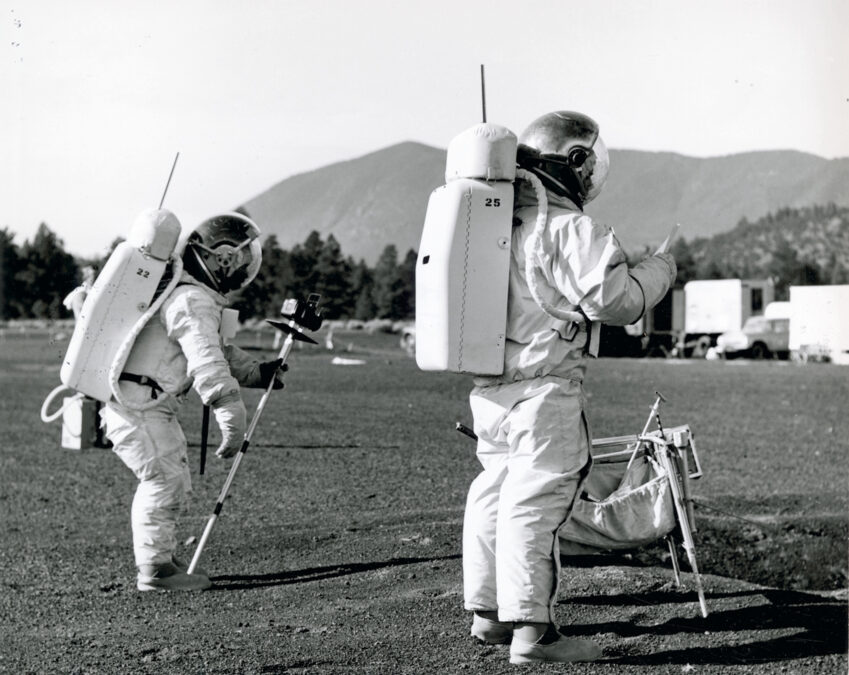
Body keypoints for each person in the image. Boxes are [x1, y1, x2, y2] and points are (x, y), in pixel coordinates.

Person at [462, 111, 677, 664]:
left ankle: (488, 616)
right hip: (544, 390)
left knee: (494, 493)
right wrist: (660, 271)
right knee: (535, 504)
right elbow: (616, 301)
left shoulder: (498, 229)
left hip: (492, 391)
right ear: (576, 162)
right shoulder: (570, 229)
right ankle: (534, 634)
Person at [100, 211, 285, 592]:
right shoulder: (191, 299)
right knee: (164, 480)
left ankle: (160, 560)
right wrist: (229, 406)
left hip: (141, 404)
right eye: (242, 260)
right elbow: (205, 359)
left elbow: (218, 350)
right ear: (223, 258)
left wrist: (257, 374)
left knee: (169, 478)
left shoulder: (186, 295)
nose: (244, 271)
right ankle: (154, 570)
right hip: (139, 409)